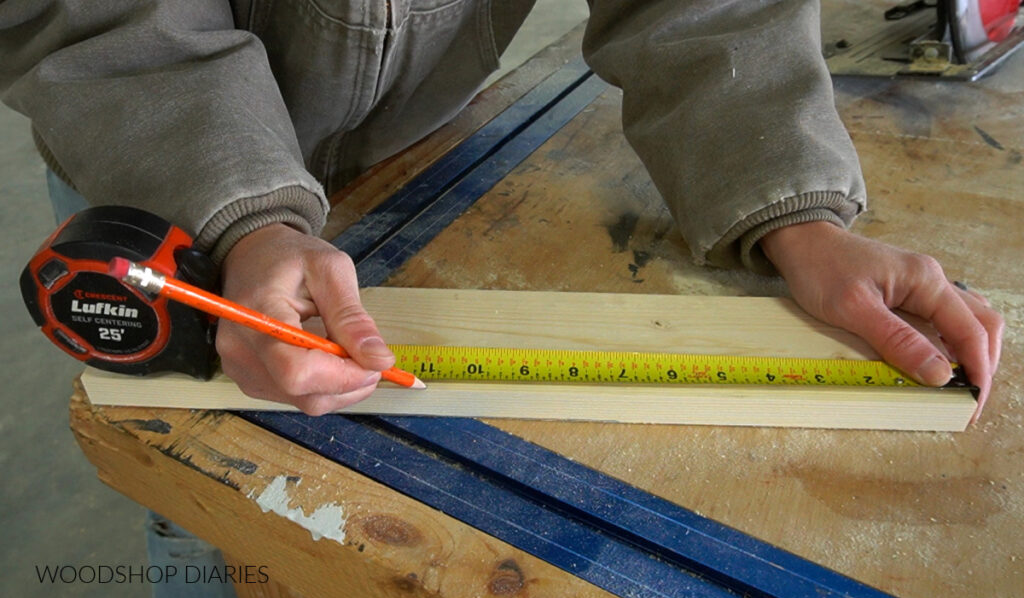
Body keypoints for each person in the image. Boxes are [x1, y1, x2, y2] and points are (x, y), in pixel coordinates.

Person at [2, 0, 1003, 422]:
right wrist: (243, 216)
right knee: (203, 473)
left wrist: (796, 211)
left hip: (422, 150)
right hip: (157, 154)